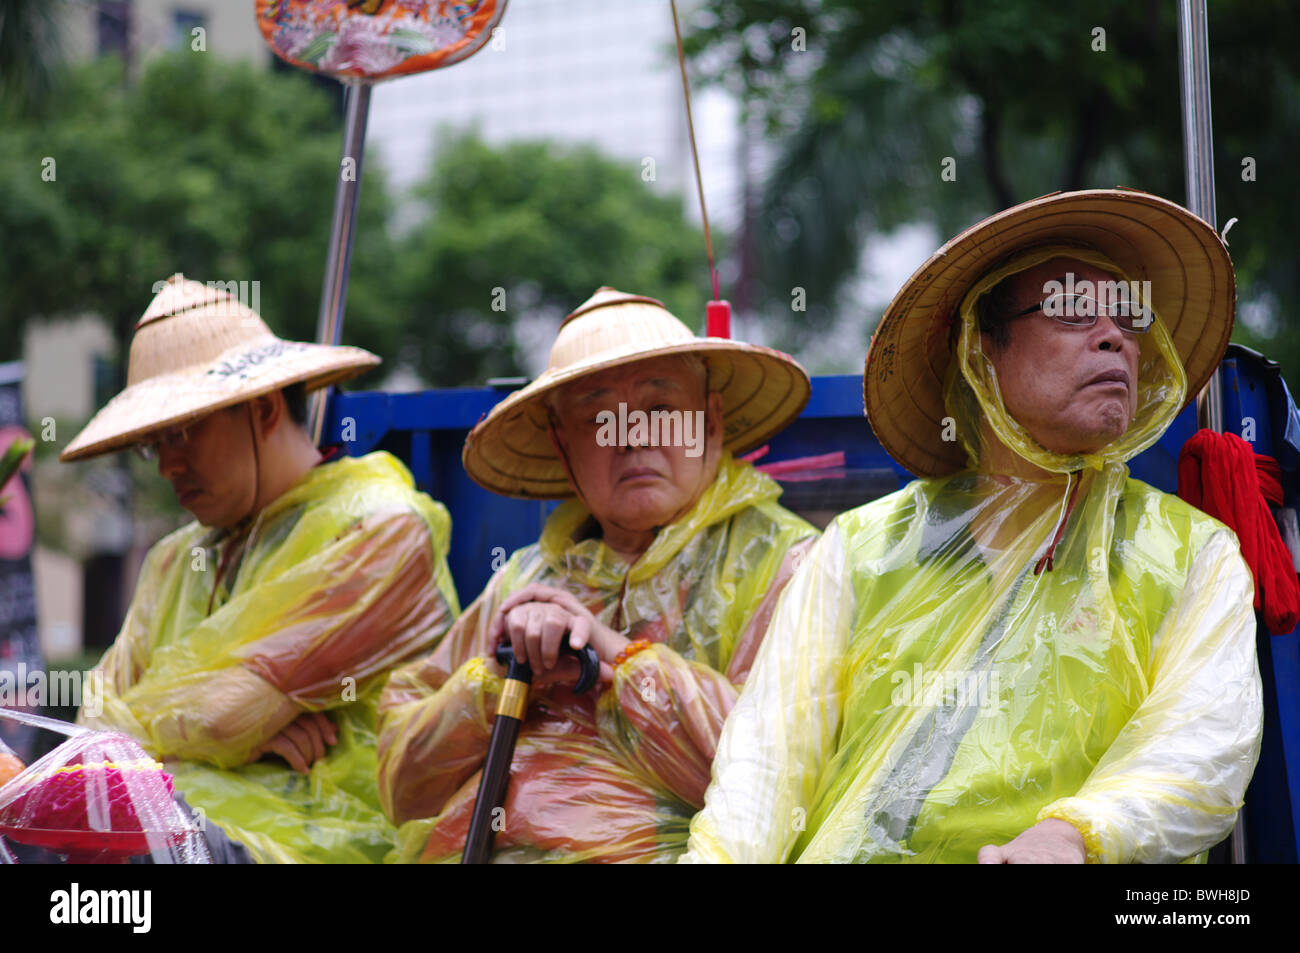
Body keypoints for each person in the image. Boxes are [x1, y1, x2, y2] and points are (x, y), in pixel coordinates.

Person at [683, 189, 1264, 864]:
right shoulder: (863, 547)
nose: (1114, 336)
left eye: (1129, 317)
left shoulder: (1192, 553)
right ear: (983, 349)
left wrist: (1075, 834)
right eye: (1071, 308)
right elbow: (766, 765)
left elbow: (1203, 745)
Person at [376, 287, 818, 862]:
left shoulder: (785, 561)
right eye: (598, 419)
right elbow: (402, 786)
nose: (632, 437)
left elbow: (776, 777)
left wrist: (610, 656)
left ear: (709, 422)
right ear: (563, 446)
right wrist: (499, 678)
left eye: (660, 412)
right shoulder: (524, 580)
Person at [62, 275, 460, 863]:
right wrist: (222, 734)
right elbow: (90, 737)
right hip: (167, 833)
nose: (168, 465)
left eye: (181, 432)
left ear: (266, 409)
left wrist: (200, 733)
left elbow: (220, 717)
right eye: (154, 443)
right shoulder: (172, 559)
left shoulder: (379, 529)